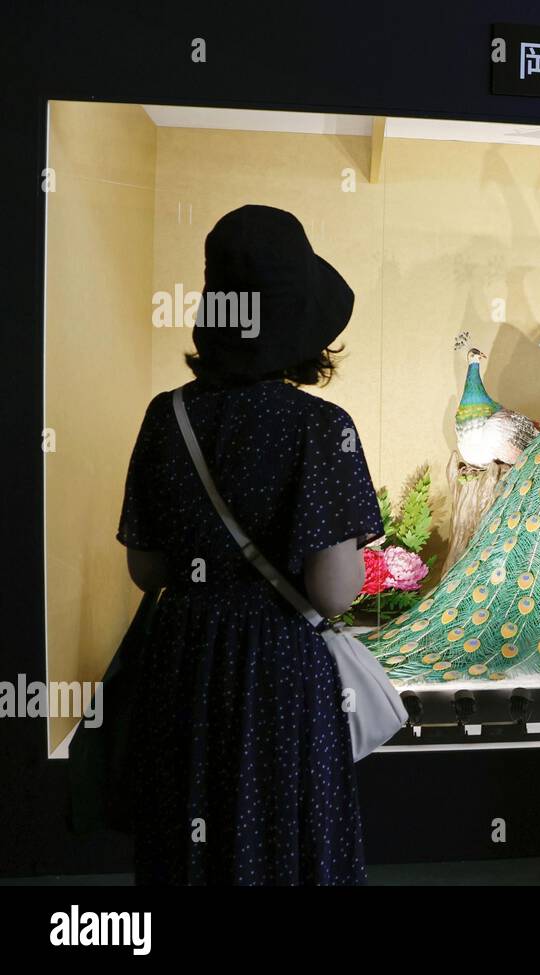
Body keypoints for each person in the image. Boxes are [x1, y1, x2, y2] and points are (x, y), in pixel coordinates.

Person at [117, 205, 383, 884]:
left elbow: (146, 566)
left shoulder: (166, 414)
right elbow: (332, 587)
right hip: (280, 669)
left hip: (185, 666)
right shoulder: (321, 427)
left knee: (190, 837)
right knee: (286, 837)